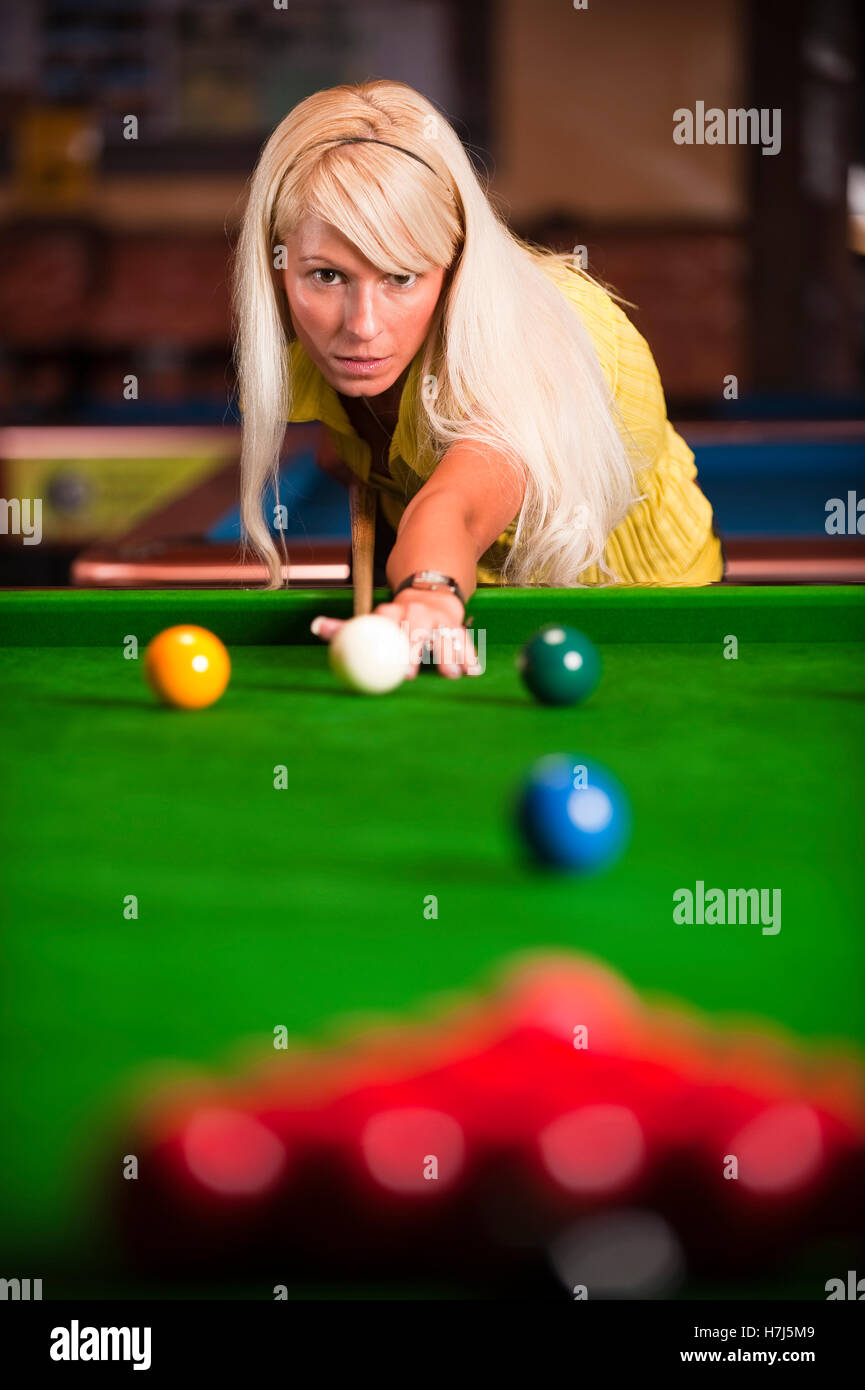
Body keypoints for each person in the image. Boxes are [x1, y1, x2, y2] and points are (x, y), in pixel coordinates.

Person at [233, 79, 723, 680]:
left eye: (402, 276)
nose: (361, 326)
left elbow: (457, 503)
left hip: (646, 623)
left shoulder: (535, 340)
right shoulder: (310, 344)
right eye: (327, 276)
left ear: (457, 259)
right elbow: (354, 448)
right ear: (277, 265)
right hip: (449, 619)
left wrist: (429, 588)